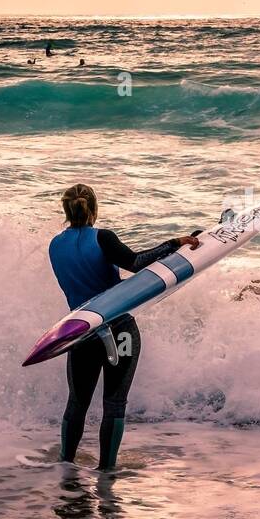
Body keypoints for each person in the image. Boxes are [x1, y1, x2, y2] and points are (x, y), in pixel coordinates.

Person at [47, 184, 201, 471]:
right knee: (114, 403)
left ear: (66, 210)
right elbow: (135, 262)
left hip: (82, 333)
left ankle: (65, 466)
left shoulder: (55, 245)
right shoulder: (103, 237)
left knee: (77, 403)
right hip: (119, 331)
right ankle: (106, 472)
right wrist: (174, 243)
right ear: (94, 209)